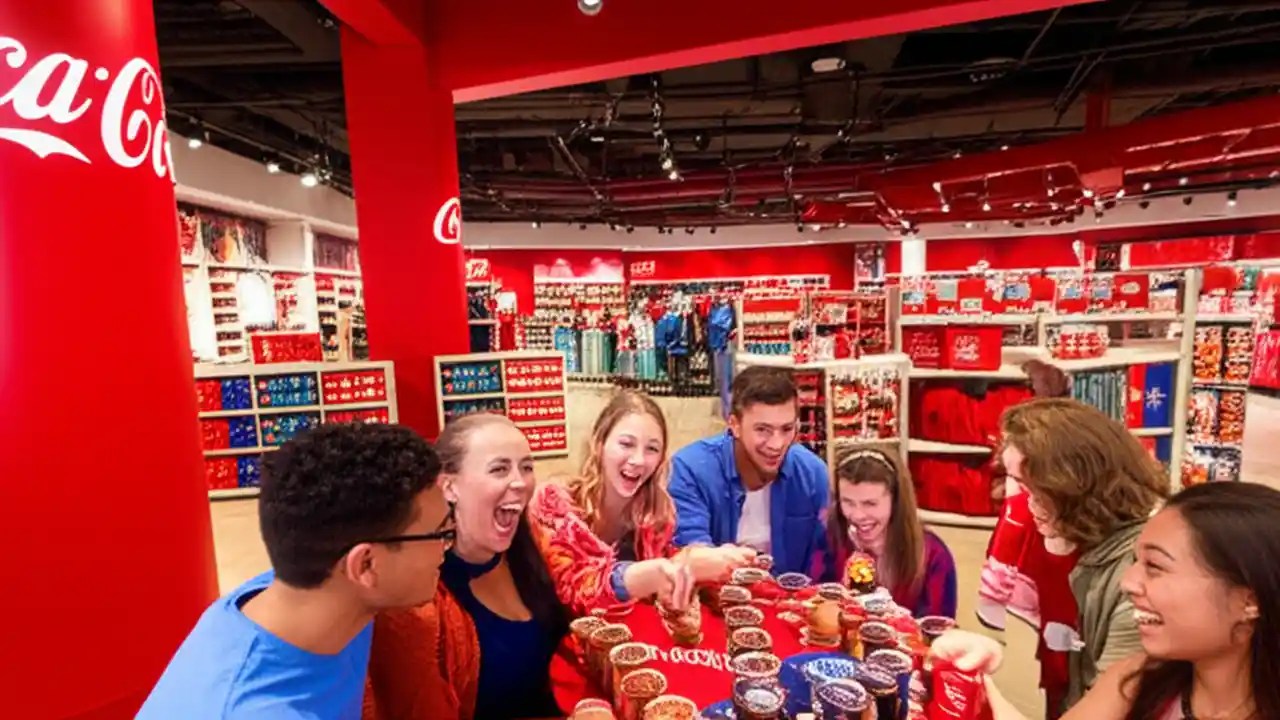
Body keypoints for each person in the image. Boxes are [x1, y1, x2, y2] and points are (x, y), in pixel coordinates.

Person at [138, 423, 453, 720]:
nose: (448, 543)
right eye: (439, 534)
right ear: (366, 565)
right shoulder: (255, 708)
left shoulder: (299, 591)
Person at [931, 482, 1280, 720]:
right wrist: (977, 683)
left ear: (1248, 600)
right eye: (1135, 563)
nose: (1129, 583)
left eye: (1155, 567)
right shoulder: (1138, 682)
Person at [364, 413, 572, 720]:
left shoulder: (531, 544)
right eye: (499, 469)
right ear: (448, 486)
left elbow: (581, 588)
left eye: (526, 467)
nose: (520, 481)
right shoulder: (417, 600)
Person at [998, 397, 1170, 711]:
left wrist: (984, 689)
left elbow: (1110, 705)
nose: (1025, 504)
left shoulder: (1139, 577)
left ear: (1071, 485)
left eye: (1033, 490)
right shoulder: (1093, 545)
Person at [529, 389, 746, 616]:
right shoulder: (552, 506)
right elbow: (576, 589)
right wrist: (637, 576)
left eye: (651, 449)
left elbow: (663, 584)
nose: (638, 460)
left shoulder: (655, 518)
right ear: (599, 443)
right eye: (626, 444)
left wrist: (702, 566)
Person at [979, 360, 1078, 718]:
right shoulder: (1039, 519)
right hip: (1053, 587)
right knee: (1057, 666)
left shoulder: (1117, 561)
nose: (1025, 501)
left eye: (1030, 487)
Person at [668, 365, 829, 576]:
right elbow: (690, 553)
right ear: (734, 425)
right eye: (763, 430)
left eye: (787, 429)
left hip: (794, 603)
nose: (776, 444)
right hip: (715, 602)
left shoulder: (812, 473)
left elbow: (826, 560)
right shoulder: (691, 470)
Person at [814, 447, 958, 617]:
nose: (858, 515)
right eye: (848, 502)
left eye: (870, 503)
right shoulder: (831, 538)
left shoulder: (933, 556)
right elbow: (814, 604)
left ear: (896, 501)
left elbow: (937, 630)